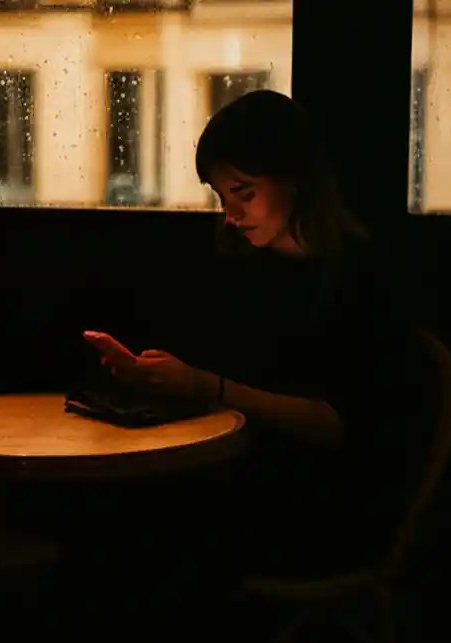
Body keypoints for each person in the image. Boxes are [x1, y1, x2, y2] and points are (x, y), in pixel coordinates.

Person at [85, 89, 419, 576]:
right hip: (244, 474)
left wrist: (206, 387)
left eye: (244, 193)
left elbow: (343, 426)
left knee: (154, 531)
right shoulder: (242, 263)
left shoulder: (358, 276)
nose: (232, 213)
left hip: (326, 501)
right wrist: (151, 378)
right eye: (223, 197)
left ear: (296, 180)